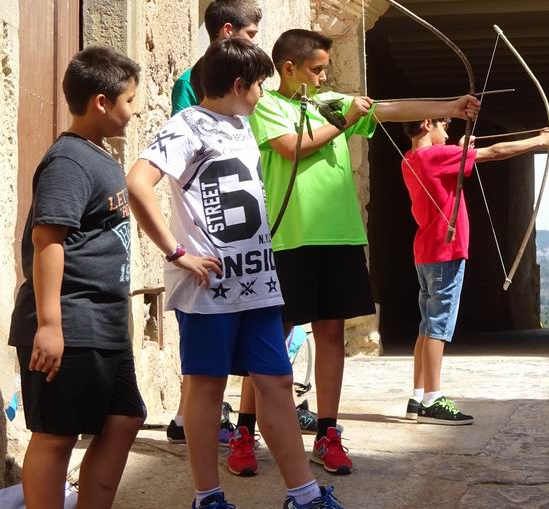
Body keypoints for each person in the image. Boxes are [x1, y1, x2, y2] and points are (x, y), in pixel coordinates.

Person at [242, 28, 480, 475]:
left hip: (339, 236)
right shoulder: (269, 106)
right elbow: (292, 148)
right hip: (292, 238)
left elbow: (388, 109)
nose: (324, 75)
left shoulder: (329, 100)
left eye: (326, 68)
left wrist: (450, 107)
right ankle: (245, 428)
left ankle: (328, 433)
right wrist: (346, 119)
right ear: (289, 68)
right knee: (272, 335)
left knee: (331, 333)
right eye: (316, 69)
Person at [127, 39, 345, 509]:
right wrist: (176, 252)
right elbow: (137, 183)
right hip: (208, 290)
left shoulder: (245, 125)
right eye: (260, 83)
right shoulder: (186, 127)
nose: (264, 92)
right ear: (238, 84)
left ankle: (304, 495)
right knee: (205, 388)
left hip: (259, 285)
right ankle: (208, 497)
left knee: (277, 382)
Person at [9, 46, 145, 508]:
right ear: (102, 102)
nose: (135, 111)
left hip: (103, 324)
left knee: (126, 417)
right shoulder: (69, 161)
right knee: (56, 435)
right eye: (129, 101)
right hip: (70, 319)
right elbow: (46, 240)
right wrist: (49, 325)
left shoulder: (99, 156)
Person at [401, 119, 549, 424]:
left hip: (426, 252)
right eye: (443, 126)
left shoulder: (410, 159)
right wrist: (539, 140)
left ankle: (417, 396)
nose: (447, 133)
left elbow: (442, 168)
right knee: (437, 327)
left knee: (426, 325)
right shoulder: (435, 156)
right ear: (426, 123)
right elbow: (496, 152)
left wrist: (456, 150)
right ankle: (433, 399)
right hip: (445, 252)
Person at [170, 0, 260, 115]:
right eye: (250, 34)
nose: (255, 43)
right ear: (228, 30)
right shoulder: (188, 82)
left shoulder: (250, 79)